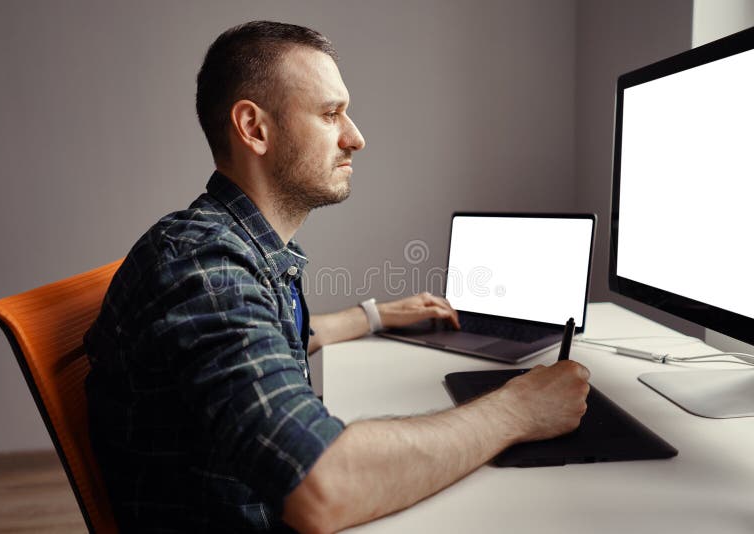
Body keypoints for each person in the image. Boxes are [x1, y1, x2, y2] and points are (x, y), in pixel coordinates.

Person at [85, 20, 590, 534]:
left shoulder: (235, 246)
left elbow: (276, 337)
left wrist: (375, 316)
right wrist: (518, 411)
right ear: (254, 128)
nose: (357, 137)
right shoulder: (203, 265)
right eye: (331, 114)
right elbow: (322, 488)